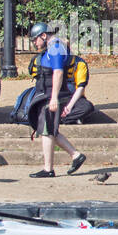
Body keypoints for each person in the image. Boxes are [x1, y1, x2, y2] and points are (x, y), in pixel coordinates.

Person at [27, 22, 86, 178]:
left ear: (44, 35)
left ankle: (48, 169)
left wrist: (53, 98)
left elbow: (58, 72)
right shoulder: (53, 46)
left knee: (47, 132)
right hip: (46, 93)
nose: (34, 43)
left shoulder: (55, 48)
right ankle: (76, 155)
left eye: (35, 39)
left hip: (51, 95)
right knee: (49, 131)